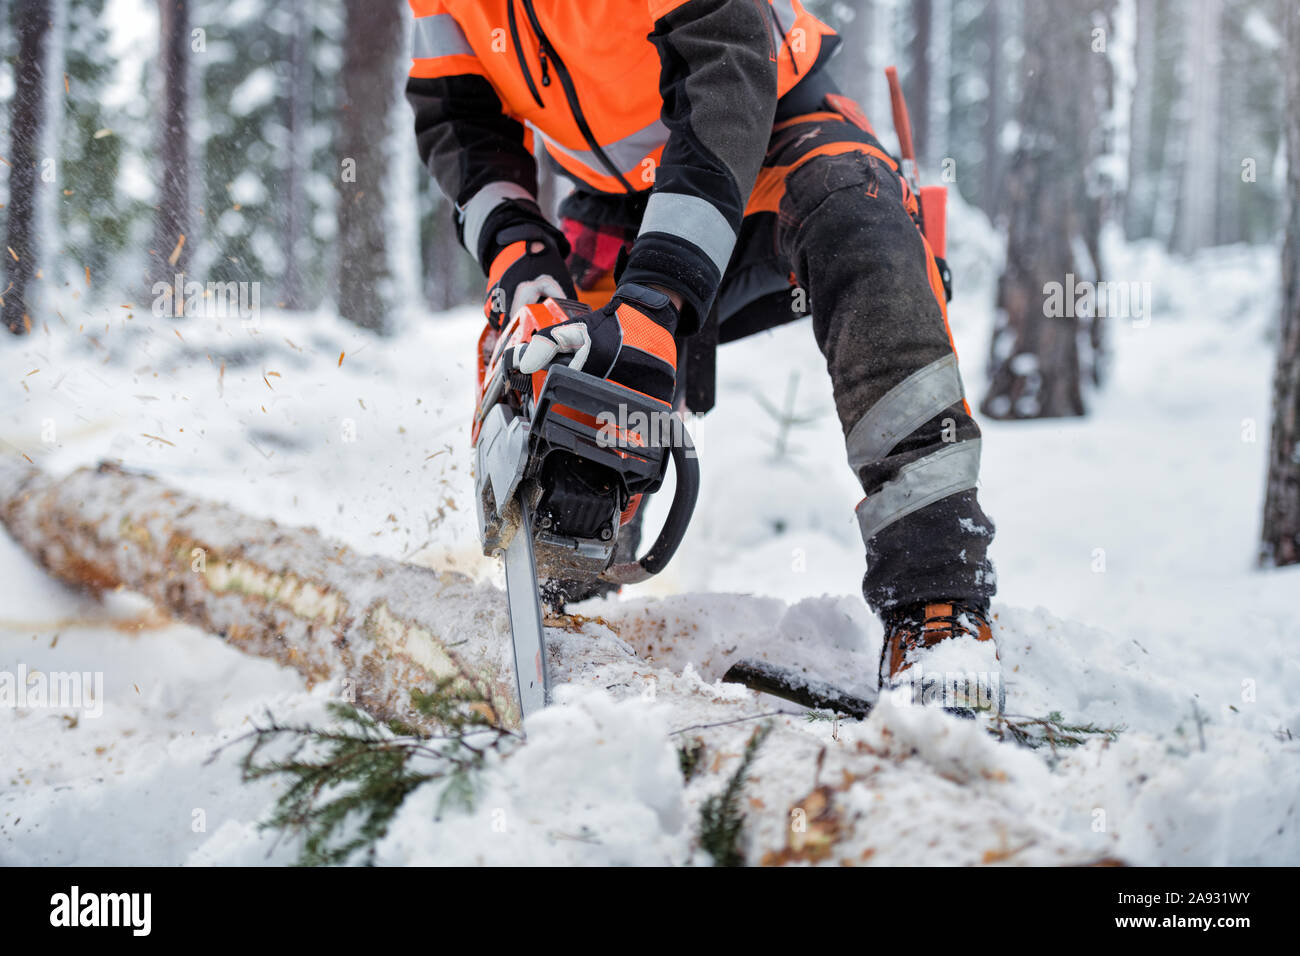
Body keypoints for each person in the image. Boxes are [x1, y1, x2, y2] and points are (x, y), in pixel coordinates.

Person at [405, 0, 1001, 710]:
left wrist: (657, 298)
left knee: (857, 219)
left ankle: (940, 607)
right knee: (560, 376)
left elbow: (727, 68)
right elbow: (461, 120)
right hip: (619, 193)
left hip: (769, 121)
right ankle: (566, 593)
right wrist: (520, 252)